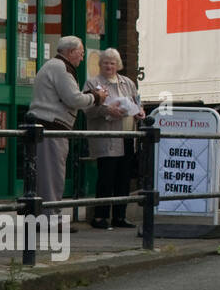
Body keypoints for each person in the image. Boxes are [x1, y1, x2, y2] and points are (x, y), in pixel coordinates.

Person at [27, 36, 107, 219]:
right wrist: (96, 97)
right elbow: (74, 99)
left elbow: (69, 96)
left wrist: (89, 96)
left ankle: (44, 216)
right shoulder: (60, 68)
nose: (82, 56)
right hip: (51, 128)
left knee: (47, 175)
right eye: (80, 52)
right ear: (70, 52)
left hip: (48, 127)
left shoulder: (56, 66)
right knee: (52, 176)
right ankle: (50, 218)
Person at [83, 48, 145, 229]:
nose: (109, 66)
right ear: (100, 64)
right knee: (106, 177)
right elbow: (87, 109)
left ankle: (120, 216)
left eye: (112, 63)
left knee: (123, 178)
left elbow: (138, 103)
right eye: (105, 62)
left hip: (127, 135)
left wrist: (140, 112)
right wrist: (106, 110)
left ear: (118, 65)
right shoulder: (93, 83)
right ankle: (100, 217)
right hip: (107, 137)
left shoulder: (127, 83)